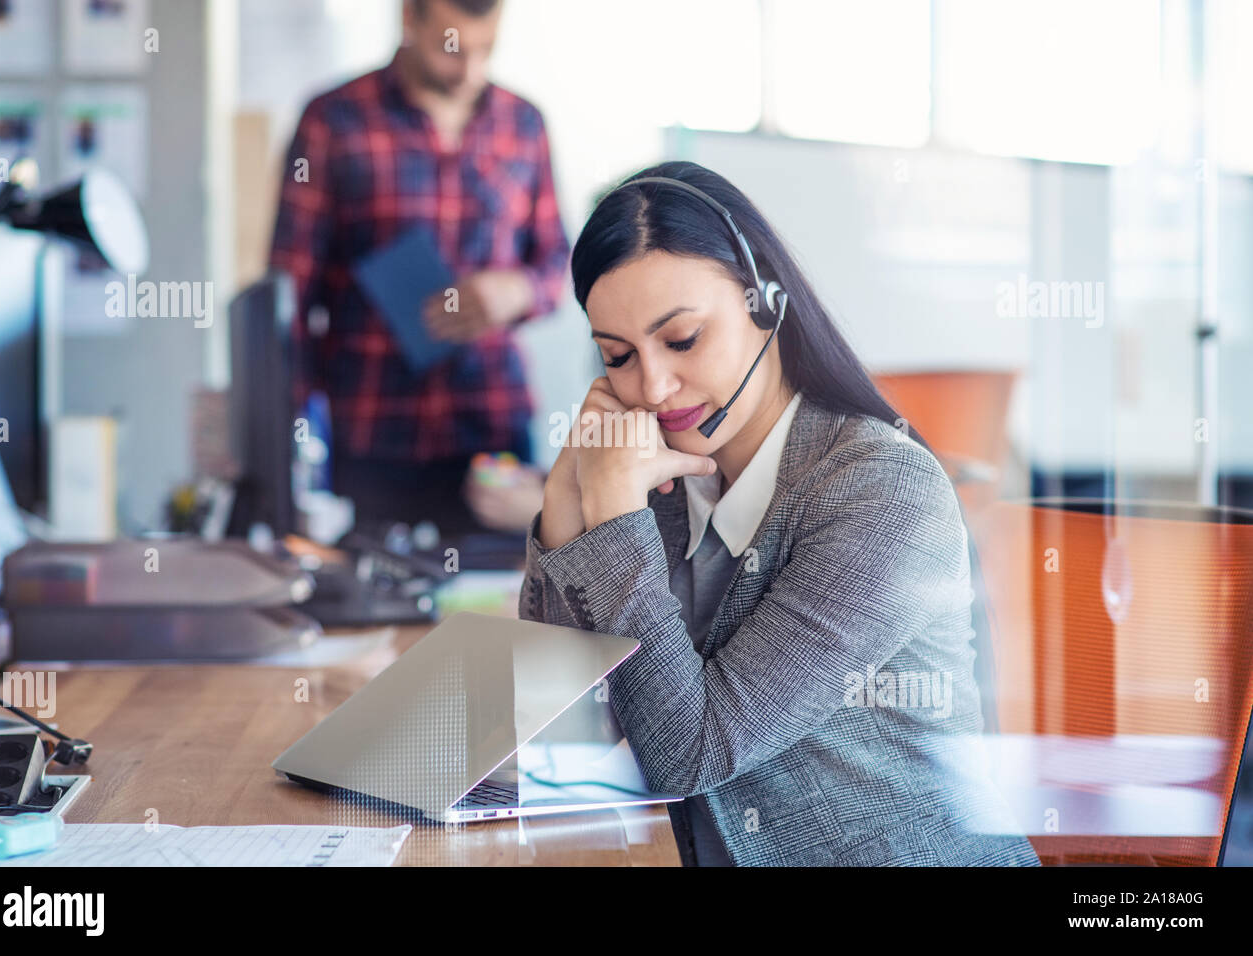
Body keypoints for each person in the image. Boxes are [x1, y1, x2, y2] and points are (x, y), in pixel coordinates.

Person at [519, 160, 1041, 867]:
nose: (652, 387)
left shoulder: (881, 493)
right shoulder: (664, 486)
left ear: (766, 300)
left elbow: (688, 753)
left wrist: (610, 511)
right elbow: (559, 723)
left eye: (682, 340)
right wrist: (564, 500)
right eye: (618, 356)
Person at [269, 0, 569, 536]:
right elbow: (288, 293)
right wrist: (287, 435)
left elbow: (557, 262)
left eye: (486, 50)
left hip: (492, 434)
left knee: (506, 607)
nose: (470, 71)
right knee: (375, 609)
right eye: (452, 49)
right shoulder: (332, 121)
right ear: (410, 19)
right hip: (372, 435)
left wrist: (518, 290)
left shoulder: (525, 123)